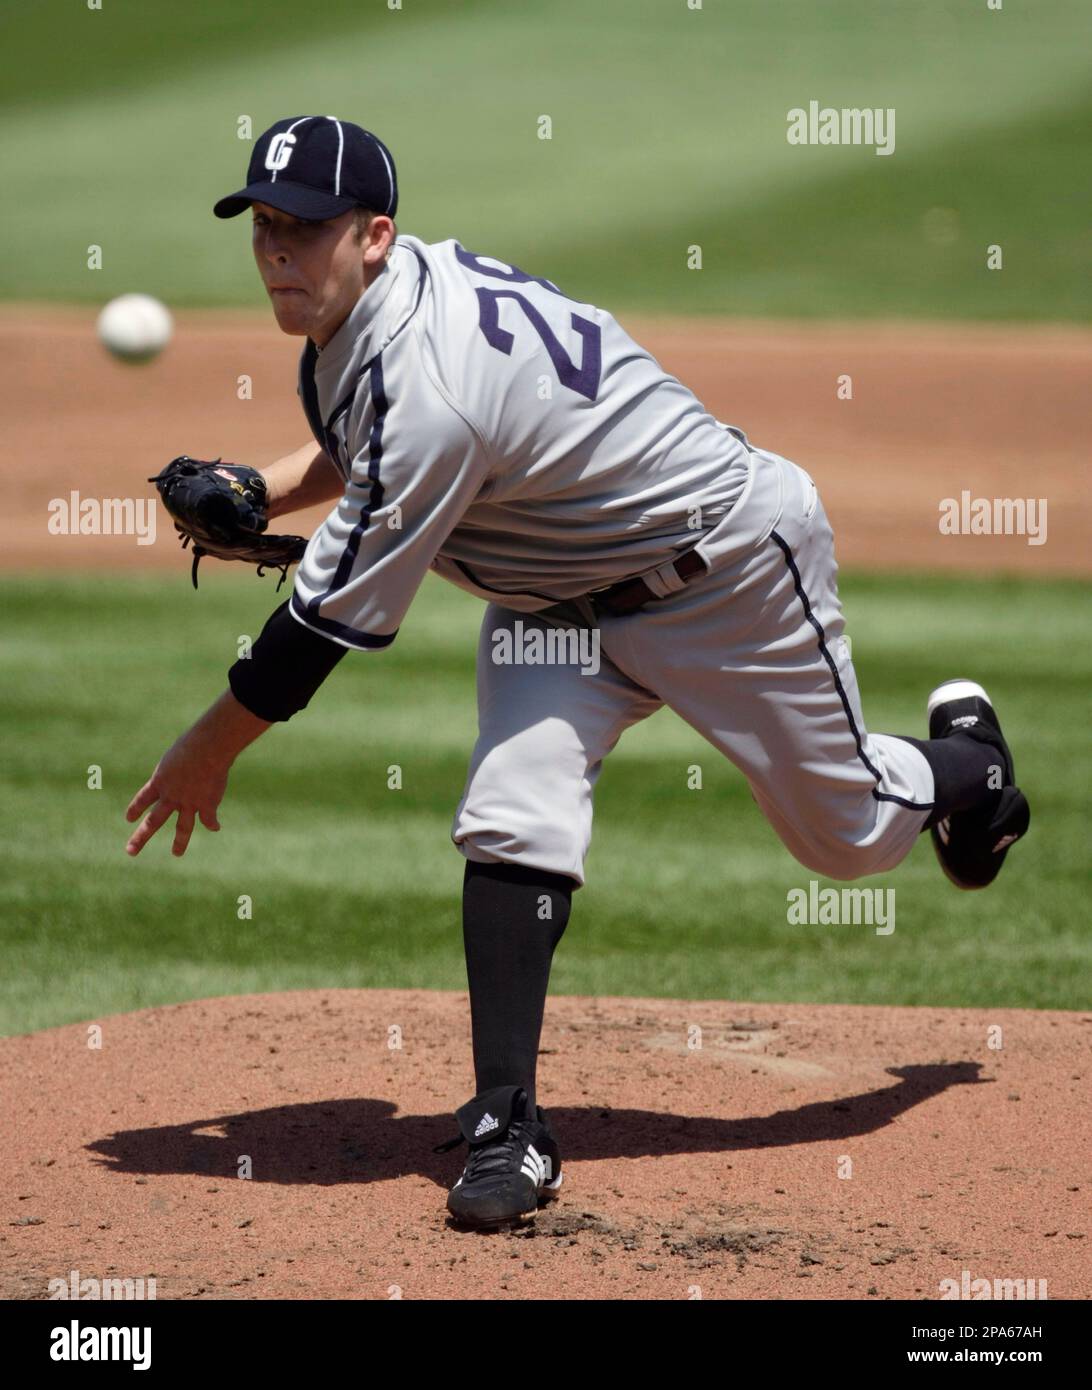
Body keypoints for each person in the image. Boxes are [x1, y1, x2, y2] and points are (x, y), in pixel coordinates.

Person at [125, 116, 1030, 1230]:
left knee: (842, 832)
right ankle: (510, 1126)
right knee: (512, 810)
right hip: (557, 605)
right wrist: (261, 492)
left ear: (374, 236)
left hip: (724, 575)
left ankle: (971, 773)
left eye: (303, 230)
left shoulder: (434, 381)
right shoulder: (381, 313)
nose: (276, 251)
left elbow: (320, 629)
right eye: (264, 224)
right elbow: (371, 445)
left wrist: (202, 750)